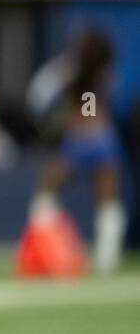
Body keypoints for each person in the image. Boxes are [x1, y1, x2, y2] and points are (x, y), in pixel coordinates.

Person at [26, 29, 127, 273]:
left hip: (80, 137)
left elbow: (38, 94)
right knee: (107, 201)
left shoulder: (71, 69)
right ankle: (106, 259)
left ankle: (47, 251)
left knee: (44, 194)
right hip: (103, 137)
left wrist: (46, 123)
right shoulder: (104, 71)